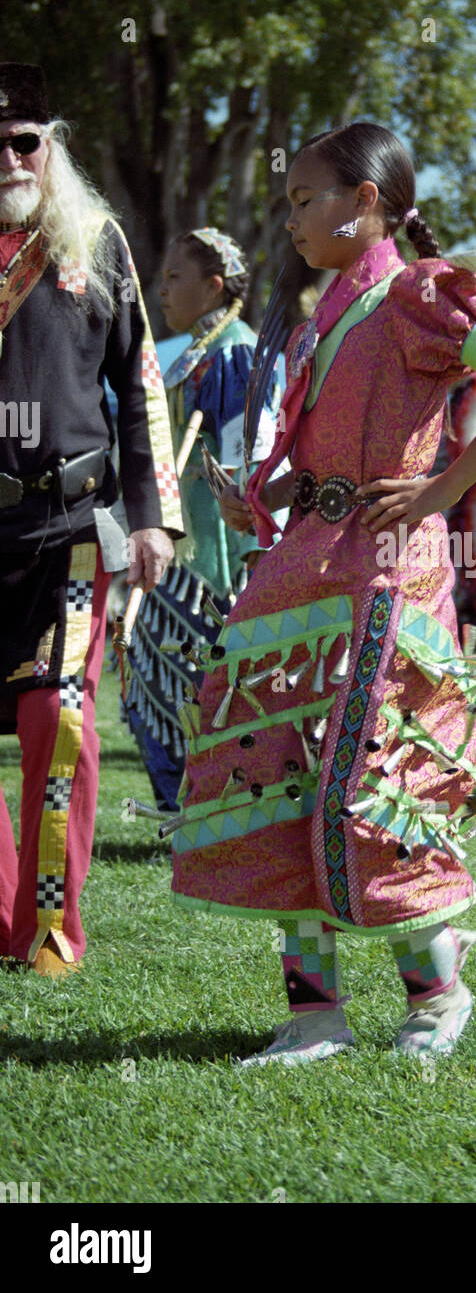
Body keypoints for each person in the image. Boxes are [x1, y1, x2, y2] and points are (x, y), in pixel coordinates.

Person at [167, 122, 476, 1063]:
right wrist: (268, 490)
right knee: (281, 775)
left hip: (389, 568)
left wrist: (442, 486)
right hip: (305, 561)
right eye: (291, 200)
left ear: (367, 202)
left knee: (376, 777)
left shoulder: (423, 295)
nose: (292, 216)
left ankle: (437, 997)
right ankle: (314, 1013)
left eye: (308, 200)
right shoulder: (321, 316)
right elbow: (317, 444)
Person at [0, 63, 182, 974]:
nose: (9, 155)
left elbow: (140, 385)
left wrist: (152, 517)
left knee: (60, 724)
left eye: (24, 139)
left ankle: (48, 933)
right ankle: (2, 916)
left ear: (50, 145)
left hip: (69, 531)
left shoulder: (94, 241)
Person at [123, 228, 278, 811]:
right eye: (160, 278)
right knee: (154, 676)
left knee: (201, 681)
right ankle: (185, 811)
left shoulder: (235, 351)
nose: (160, 289)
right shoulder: (192, 351)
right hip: (178, 545)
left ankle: (213, 811)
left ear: (214, 286)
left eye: (174, 277)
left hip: (215, 555)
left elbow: (247, 455)